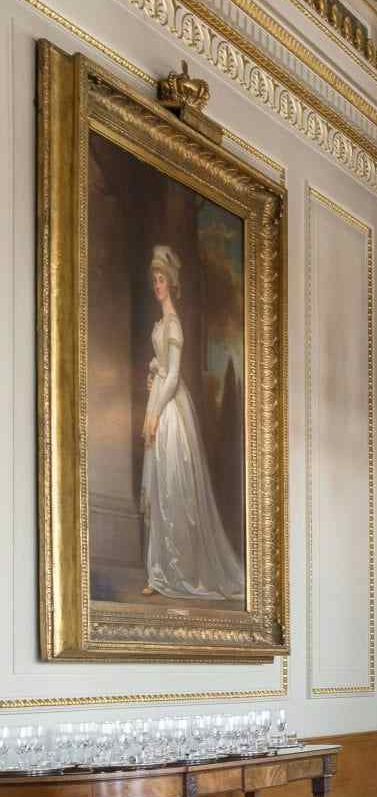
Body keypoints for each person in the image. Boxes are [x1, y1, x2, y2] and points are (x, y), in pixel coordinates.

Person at [139, 245, 246, 601]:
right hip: (159, 403)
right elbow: (162, 368)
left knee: (174, 490)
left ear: (170, 284)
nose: (157, 285)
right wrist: (154, 372)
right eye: (154, 280)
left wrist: (155, 414)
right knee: (159, 489)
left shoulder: (173, 324)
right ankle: (158, 571)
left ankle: (180, 571)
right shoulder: (160, 323)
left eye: (161, 280)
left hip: (171, 411)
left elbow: (173, 377)